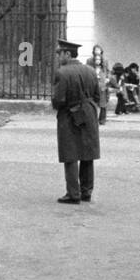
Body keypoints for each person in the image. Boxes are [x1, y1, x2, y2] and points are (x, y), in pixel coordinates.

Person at [52, 39, 100, 203]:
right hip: (89, 113)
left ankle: (73, 194)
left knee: (70, 154)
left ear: (67, 54)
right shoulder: (91, 70)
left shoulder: (62, 72)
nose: (58, 57)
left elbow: (58, 100)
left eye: (60, 53)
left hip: (69, 115)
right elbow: (98, 96)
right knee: (87, 153)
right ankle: (86, 191)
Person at [87, 45, 110, 125]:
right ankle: (93, 119)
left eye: (99, 50)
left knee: (103, 103)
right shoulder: (89, 61)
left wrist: (107, 78)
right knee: (93, 102)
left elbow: (108, 71)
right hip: (93, 84)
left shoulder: (105, 61)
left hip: (102, 85)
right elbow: (87, 71)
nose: (98, 52)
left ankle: (102, 119)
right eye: (96, 50)